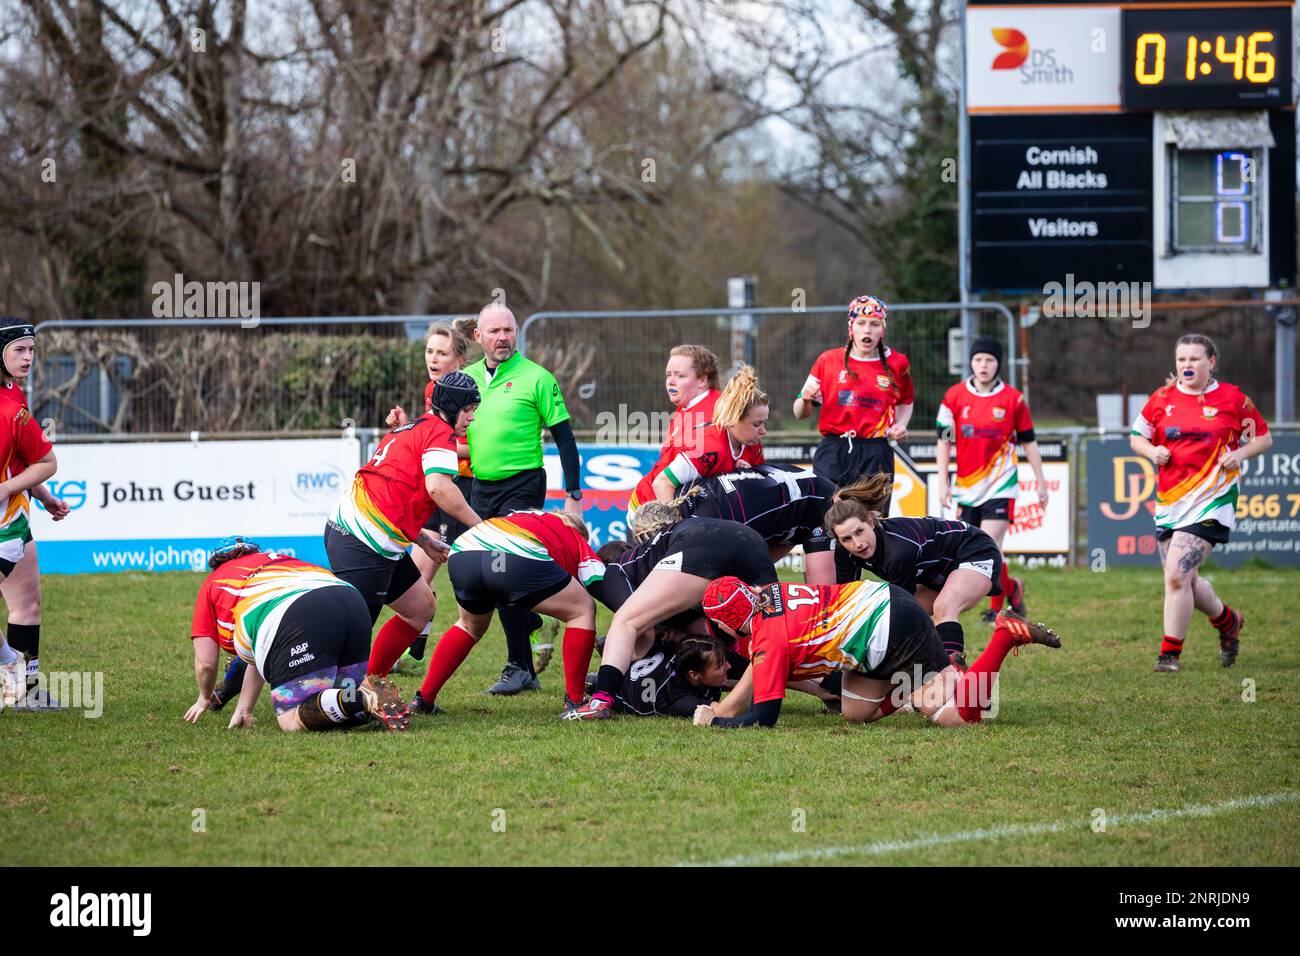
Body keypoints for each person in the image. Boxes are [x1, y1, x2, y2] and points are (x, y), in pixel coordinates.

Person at [691, 577, 1061, 729]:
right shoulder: (768, 592)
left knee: (957, 716)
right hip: (877, 612)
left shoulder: (767, 640)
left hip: (891, 628)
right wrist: (726, 707)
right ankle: (936, 681)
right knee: (856, 712)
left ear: (724, 625)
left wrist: (716, 721)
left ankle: (1003, 637)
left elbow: (765, 717)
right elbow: (767, 660)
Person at [1129, 334, 1272, 672]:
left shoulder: (1233, 398)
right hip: (1171, 502)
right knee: (1186, 579)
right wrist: (1152, 451)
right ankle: (1228, 622)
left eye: (1194, 359)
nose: (1187, 365)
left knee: (1177, 576)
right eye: (1181, 360)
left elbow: (1263, 438)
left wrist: (1239, 453)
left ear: (1212, 362)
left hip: (1213, 501)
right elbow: (1137, 437)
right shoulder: (1162, 398)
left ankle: (1169, 655)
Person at [463, 303, 585, 695]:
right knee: (486, 573)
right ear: (478, 336)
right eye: (494, 331)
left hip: (524, 485)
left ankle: (519, 666)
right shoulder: (464, 381)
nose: (503, 337)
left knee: (504, 570)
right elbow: (442, 434)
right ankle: (529, 629)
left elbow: (565, 438)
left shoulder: (537, 378)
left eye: (509, 330)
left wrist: (573, 495)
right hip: (479, 488)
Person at [325, 371, 481, 676]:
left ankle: (372, 683)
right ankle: (326, 697)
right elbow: (438, 487)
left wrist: (422, 539)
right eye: (467, 410)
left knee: (421, 607)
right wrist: (481, 526)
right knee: (353, 631)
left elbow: (395, 491)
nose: (472, 418)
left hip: (366, 534)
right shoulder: (441, 433)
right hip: (363, 539)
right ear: (451, 407)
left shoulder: (418, 426)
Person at [184, 537, 409, 732]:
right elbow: (259, 654)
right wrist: (244, 709)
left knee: (290, 718)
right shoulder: (280, 559)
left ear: (218, 563)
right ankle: (370, 701)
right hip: (352, 600)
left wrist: (204, 698)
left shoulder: (214, 581)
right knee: (343, 710)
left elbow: (205, 663)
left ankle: (364, 697)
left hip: (301, 612)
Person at [563, 517, 779, 720]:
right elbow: (705, 650)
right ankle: (812, 682)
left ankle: (600, 701)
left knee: (625, 622)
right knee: (777, 628)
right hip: (750, 539)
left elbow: (640, 631)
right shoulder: (667, 582)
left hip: (701, 541)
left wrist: (627, 656)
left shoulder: (615, 572)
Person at [411, 509, 608, 716]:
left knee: (469, 626)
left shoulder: (524, 517)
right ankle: (575, 703)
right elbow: (598, 582)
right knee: (582, 610)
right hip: (510, 555)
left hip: (464, 551)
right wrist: (627, 616)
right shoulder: (571, 533)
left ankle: (423, 699)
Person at [826, 474, 1006, 667]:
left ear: (870, 521)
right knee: (885, 619)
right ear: (838, 540)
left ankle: (952, 675)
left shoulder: (897, 552)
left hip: (974, 549)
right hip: (937, 569)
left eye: (859, 531)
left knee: (943, 607)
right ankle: (923, 672)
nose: (857, 543)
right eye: (846, 539)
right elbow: (846, 600)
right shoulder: (845, 552)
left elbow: (903, 609)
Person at [793, 295, 913, 583]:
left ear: (883, 329)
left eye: (874, 324)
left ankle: (892, 588)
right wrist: (807, 401)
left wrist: (901, 425)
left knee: (873, 519)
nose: (867, 330)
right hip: (834, 448)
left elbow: (906, 401)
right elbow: (799, 411)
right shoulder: (827, 360)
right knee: (828, 517)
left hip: (875, 448)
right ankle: (831, 588)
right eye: (861, 323)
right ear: (851, 327)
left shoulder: (897, 363)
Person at [383, 320, 477, 662]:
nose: (433, 359)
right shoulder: (432, 390)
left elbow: (477, 449)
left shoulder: (470, 395)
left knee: (423, 575)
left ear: (460, 361)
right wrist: (407, 426)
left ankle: (408, 646)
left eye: (442, 353)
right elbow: (433, 439)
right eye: (429, 351)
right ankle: (414, 643)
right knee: (419, 573)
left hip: (458, 488)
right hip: (433, 487)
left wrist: (436, 450)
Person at [936, 336, 1047, 620]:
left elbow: (1029, 443)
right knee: (968, 547)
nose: (983, 366)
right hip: (966, 487)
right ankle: (1013, 588)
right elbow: (944, 442)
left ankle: (997, 609)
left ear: (998, 364)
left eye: (990, 360)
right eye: (978, 360)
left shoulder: (1013, 399)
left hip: (1002, 484)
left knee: (989, 543)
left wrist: (1041, 482)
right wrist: (943, 481)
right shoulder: (954, 397)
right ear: (971, 362)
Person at [0, 321, 70, 708]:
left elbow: (42, 460)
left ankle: (24, 693)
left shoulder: (12, 400)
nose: (28, 358)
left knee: (27, 605)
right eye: (19, 350)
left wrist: (38, 493)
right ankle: (10, 670)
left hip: (9, 523)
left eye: (32, 349)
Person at [633, 464, 837, 584]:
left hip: (820, 504)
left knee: (824, 602)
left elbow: (760, 575)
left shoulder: (705, 530)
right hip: (793, 491)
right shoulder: (682, 496)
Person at [629, 364, 768, 519]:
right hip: (647, 508)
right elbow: (662, 483)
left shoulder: (752, 445)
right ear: (734, 419)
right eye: (756, 424)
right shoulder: (708, 447)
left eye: (764, 423)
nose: (763, 431)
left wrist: (743, 474)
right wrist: (676, 531)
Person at [624, 344, 722, 522]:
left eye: (680, 375)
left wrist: (673, 532)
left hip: (654, 516)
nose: (671, 381)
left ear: (702, 380)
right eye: (668, 375)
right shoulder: (685, 409)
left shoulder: (716, 411)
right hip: (644, 507)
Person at [608, 635, 729, 718]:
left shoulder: (689, 654)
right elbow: (722, 711)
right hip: (622, 689)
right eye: (719, 666)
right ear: (694, 675)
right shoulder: (677, 699)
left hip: (643, 662)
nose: (728, 666)